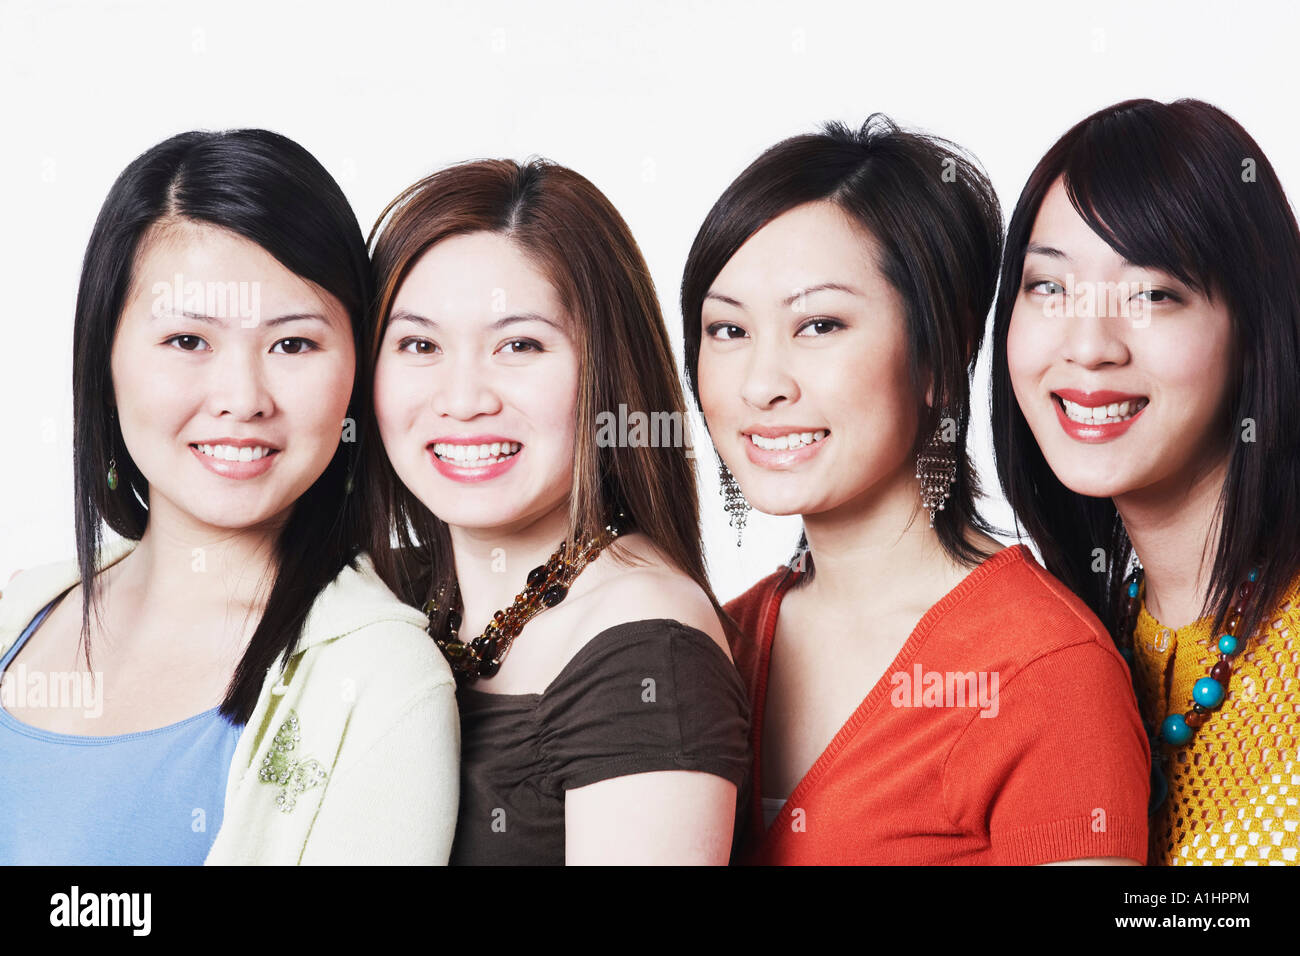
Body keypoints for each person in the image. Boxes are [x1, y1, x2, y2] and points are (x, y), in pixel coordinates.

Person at [683, 116, 1149, 864]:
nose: (761, 384)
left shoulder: (1044, 671)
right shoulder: (707, 646)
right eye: (727, 331)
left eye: (820, 324)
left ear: (937, 354)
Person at [0, 129, 458, 865]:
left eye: (293, 345)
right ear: (103, 355)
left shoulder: (379, 680)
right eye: (187, 341)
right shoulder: (23, 611)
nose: (243, 399)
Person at [365, 157, 750, 865]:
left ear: (606, 367)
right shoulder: (378, 597)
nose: (463, 398)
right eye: (419, 344)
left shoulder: (647, 652)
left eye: (519, 345)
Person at [992, 98, 1300, 865]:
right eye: (1049, 288)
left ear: (1257, 327)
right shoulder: (1066, 641)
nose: (1089, 346)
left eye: (1154, 294)